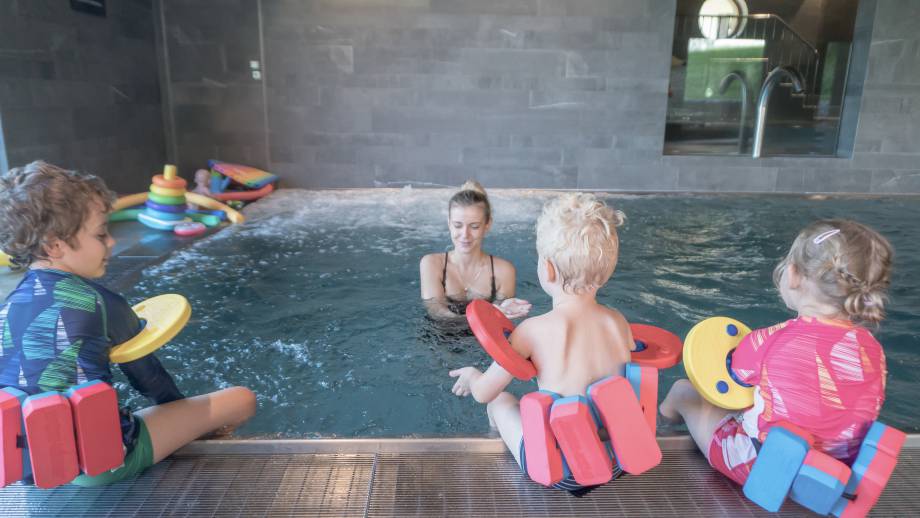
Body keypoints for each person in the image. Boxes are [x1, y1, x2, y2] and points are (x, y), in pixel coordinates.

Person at [0, 161, 256, 487]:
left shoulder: (6, 308)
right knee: (241, 399)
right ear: (54, 245)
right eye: (101, 234)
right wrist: (184, 417)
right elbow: (151, 381)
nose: (111, 242)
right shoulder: (100, 302)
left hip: (36, 467)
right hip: (101, 463)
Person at [660, 220, 892, 486]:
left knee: (684, 391)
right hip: (833, 471)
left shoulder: (769, 340)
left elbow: (730, 386)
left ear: (793, 275)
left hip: (765, 468)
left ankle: (663, 431)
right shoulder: (872, 349)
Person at [448, 192, 631, 493]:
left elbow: (483, 392)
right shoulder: (618, 323)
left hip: (564, 471)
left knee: (500, 401)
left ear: (547, 269)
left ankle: (497, 446)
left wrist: (472, 376)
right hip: (617, 459)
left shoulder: (532, 330)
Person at [420, 181, 530, 321]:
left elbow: (499, 322)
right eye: (458, 225)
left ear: (487, 225)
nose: (465, 235)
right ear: (449, 223)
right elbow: (436, 313)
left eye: (474, 226)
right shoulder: (432, 264)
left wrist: (503, 312)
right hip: (439, 333)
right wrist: (487, 315)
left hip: (482, 334)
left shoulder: (503, 271)